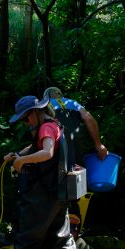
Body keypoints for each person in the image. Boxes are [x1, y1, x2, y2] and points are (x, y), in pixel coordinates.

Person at [1, 95, 78, 249]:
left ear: (35, 111)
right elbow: (37, 147)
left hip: (44, 194)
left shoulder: (46, 127)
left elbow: (47, 152)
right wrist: (17, 155)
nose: (25, 122)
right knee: (63, 237)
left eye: (26, 118)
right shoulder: (53, 125)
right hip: (60, 192)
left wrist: (22, 161)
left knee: (26, 238)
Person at [42, 87, 107, 238]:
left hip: (56, 152)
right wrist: (98, 144)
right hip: (77, 152)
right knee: (74, 190)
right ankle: (73, 231)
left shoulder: (44, 106)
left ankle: (54, 232)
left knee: (53, 189)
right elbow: (89, 119)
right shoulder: (74, 104)